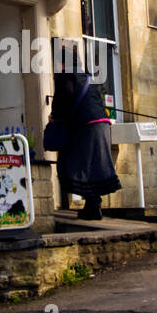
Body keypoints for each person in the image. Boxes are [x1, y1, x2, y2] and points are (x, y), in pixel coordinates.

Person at [48, 62, 122, 221]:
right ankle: (93, 207)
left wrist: (56, 115)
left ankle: (93, 206)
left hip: (86, 126)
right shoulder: (85, 76)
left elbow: (65, 96)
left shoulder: (66, 76)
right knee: (92, 166)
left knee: (73, 163)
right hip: (101, 123)